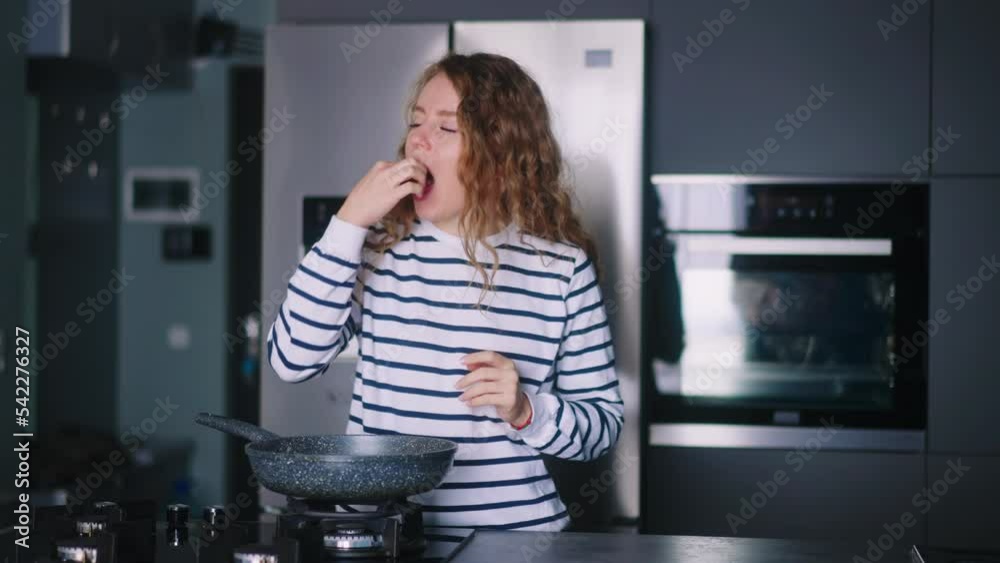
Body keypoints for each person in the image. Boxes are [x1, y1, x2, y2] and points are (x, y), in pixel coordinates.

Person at [267, 52, 623, 531]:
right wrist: (348, 221)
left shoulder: (562, 270)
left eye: (446, 128)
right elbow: (291, 360)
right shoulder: (375, 249)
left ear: (501, 155)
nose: (418, 140)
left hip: (513, 541)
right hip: (380, 535)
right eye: (416, 122)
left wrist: (526, 409)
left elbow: (601, 428)